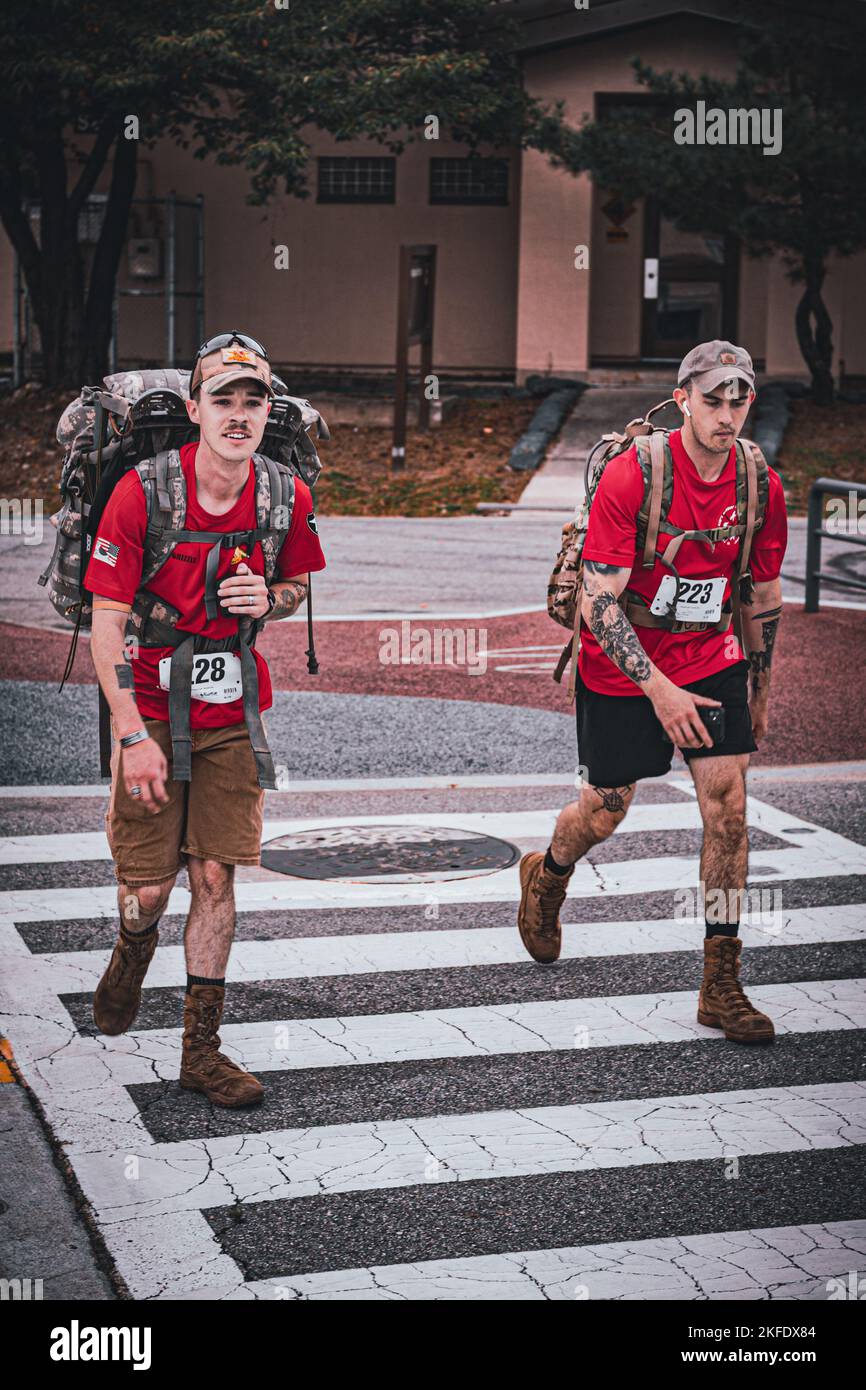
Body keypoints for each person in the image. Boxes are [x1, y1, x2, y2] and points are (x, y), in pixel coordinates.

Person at [518, 341, 788, 1044]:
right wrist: (660, 691)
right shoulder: (635, 474)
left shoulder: (760, 482)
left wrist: (758, 681)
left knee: (727, 807)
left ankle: (721, 982)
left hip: (711, 652)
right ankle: (547, 875)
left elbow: (760, 590)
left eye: (740, 400)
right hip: (623, 659)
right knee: (606, 810)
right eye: (713, 400)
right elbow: (597, 604)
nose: (727, 414)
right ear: (683, 400)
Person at [86, 332, 326, 1105]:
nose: (238, 415)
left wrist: (272, 599)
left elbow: (296, 583)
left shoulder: (285, 494)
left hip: (233, 710)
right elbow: (105, 623)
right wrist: (129, 733)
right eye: (222, 400)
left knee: (216, 873)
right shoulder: (143, 493)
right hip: (149, 706)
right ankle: (131, 947)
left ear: (267, 413)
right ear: (195, 408)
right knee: (150, 892)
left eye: (253, 402)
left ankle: (201, 1050)